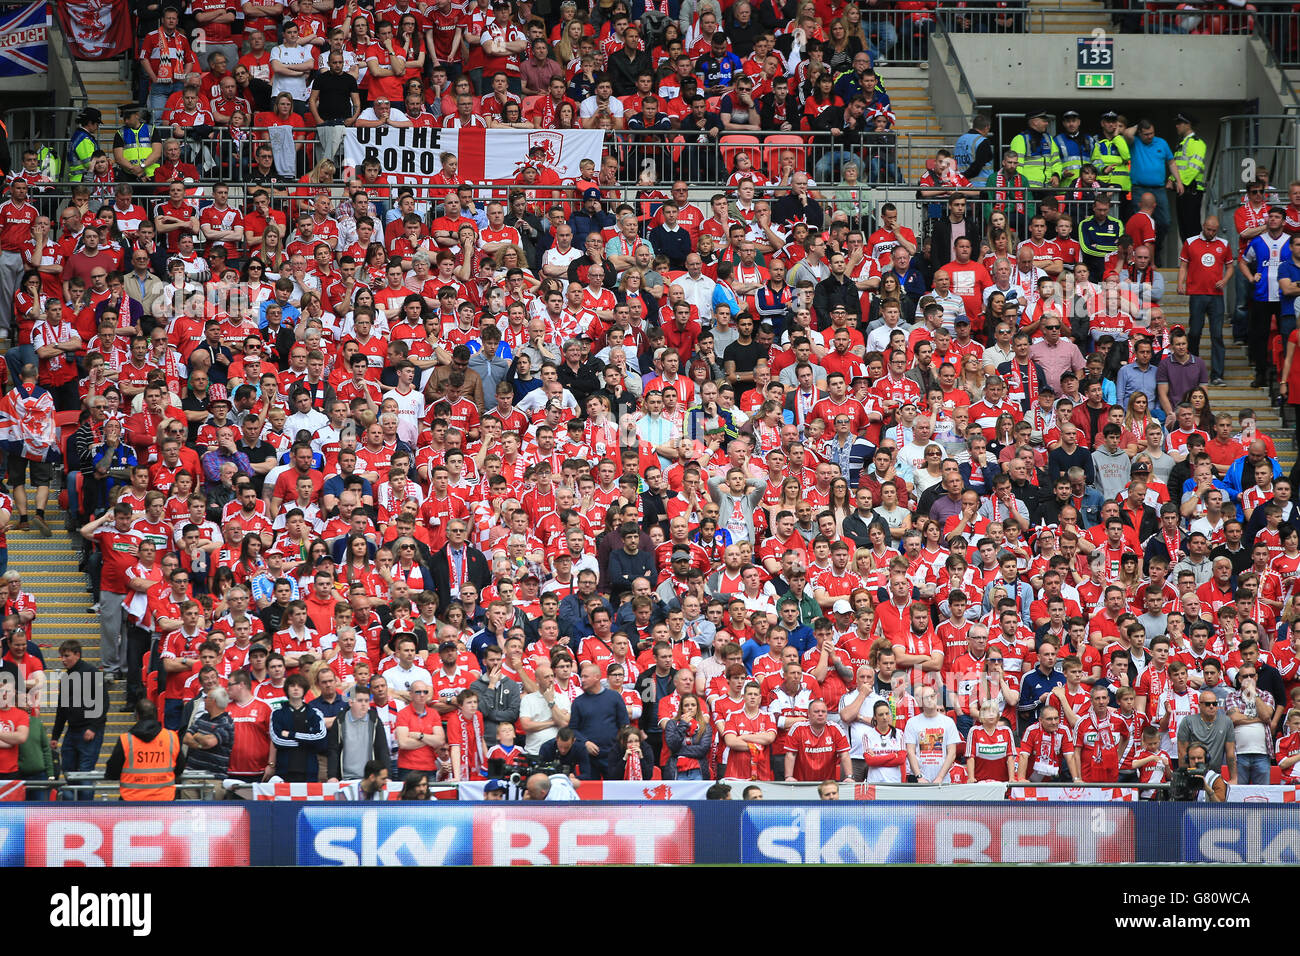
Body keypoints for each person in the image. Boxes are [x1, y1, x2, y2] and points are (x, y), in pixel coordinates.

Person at [104, 700, 183, 801]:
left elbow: (112, 772)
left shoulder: (126, 740)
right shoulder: (171, 737)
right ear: (156, 714)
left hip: (131, 801)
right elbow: (180, 767)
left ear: (137, 716)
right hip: (164, 801)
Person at [268, 673, 328, 781]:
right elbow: (277, 740)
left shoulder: (315, 713)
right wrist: (307, 741)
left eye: (299, 686)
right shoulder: (277, 713)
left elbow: (320, 738)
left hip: (310, 769)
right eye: (292, 685)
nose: (296, 688)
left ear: (304, 689)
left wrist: (292, 734)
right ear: (287, 689)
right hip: (284, 769)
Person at [326, 683, 390, 781]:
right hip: (345, 778)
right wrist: (332, 776)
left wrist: (387, 776)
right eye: (360, 701)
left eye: (366, 701)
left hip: (370, 779)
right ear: (351, 702)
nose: (364, 704)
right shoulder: (340, 721)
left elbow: (382, 750)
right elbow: (333, 750)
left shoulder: (375, 720)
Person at [1177, 691, 1237, 783]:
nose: (1212, 706)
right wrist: (1184, 778)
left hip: (1215, 774)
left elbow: (1230, 754)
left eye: (1214, 704)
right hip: (1193, 774)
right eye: (1208, 704)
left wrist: (1233, 778)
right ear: (1199, 705)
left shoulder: (1226, 722)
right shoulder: (1188, 721)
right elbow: (1182, 754)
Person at [903, 685, 958, 783]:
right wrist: (919, 776)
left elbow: (952, 753)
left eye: (932, 696)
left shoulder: (948, 722)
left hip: (943, 780)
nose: (930, 700)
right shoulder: (912, 723)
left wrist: (940, 777)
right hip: (919, 780)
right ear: (920, 701)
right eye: (926, 697)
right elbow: (910, 752)